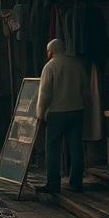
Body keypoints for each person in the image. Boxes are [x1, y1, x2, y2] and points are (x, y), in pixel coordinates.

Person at [35, 38, 88, 194]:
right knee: (76, 146)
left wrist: (40, 113)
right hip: (77, 110)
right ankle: (76, 182)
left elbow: (45, 93)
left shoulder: (50, 67)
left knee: (53, 148)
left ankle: (53, 183)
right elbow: (85, 89)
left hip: (56, 113)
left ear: (51, 51)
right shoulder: (76, 65)